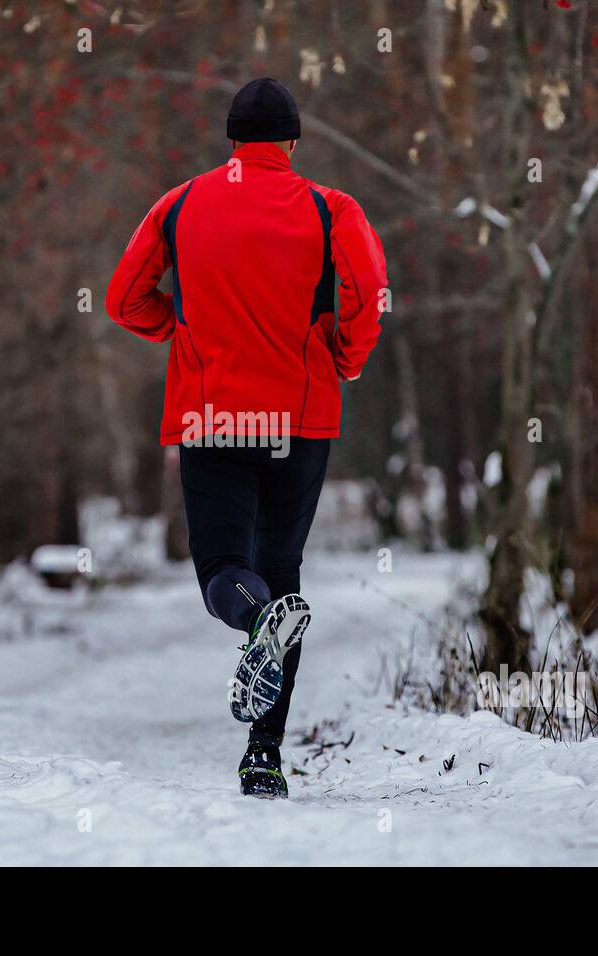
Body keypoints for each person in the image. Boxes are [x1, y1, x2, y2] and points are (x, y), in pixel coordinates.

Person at [105, 77, 387, 798]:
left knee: (224, 569)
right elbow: (368, 288)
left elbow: (123, 297)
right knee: (283, 570)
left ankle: (255, 615)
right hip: (300, 417)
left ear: (231, 140)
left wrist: (178, 327)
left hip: (213, 415)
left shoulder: (181, 204)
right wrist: (343, 358)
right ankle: (264, 755)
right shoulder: (332, 209)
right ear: (292, 142)